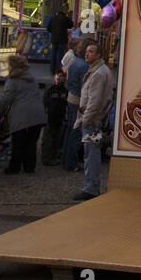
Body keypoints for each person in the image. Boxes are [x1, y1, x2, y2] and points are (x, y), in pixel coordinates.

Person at [0, 54, 45, 175]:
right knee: (31, 142)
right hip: (37, 113)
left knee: (18, 143)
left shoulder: (12, 81)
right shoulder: (31, 79)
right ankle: (29, 167)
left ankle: (14, 167)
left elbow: (5, 99)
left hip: (21, 115)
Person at [73, 43, 113, 201]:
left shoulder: (98, 73)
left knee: (91, 153)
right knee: (91, 152)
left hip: (92, 119)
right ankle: (91, 185)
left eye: (91, 52)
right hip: (95, 117)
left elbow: (95, 100)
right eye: (86, 51)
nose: (87, 54)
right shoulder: (99, 71)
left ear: (98, 55)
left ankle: (91, 187)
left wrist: (87, 119)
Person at [62, 39, 89, 172]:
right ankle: (71, 162)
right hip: (78, 99)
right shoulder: (83, 66)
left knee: (70, 129)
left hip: (72, 97)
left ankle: (66, 158)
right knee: (75, 131)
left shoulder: (74, 63)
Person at [41, 69, 68, 165]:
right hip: (50, 119)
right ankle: (46, 158)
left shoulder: (65, 91)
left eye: (61, 76)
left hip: (60, 119)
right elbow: (45, 104)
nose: (59, 78)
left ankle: (54, 156)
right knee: (48, 139)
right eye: (58, 75)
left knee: (57, 140)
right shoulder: (50, 90)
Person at [46, 4, 73, 76]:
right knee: (61, 56)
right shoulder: (65, 18)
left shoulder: (53, 18)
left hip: (54, 39)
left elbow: (48, 28)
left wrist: (54, 32)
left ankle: (52, 70)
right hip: (62, 39)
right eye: (67, 10)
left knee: (53, 55)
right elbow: (71, 25)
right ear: (65, 10)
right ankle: (59, 70)